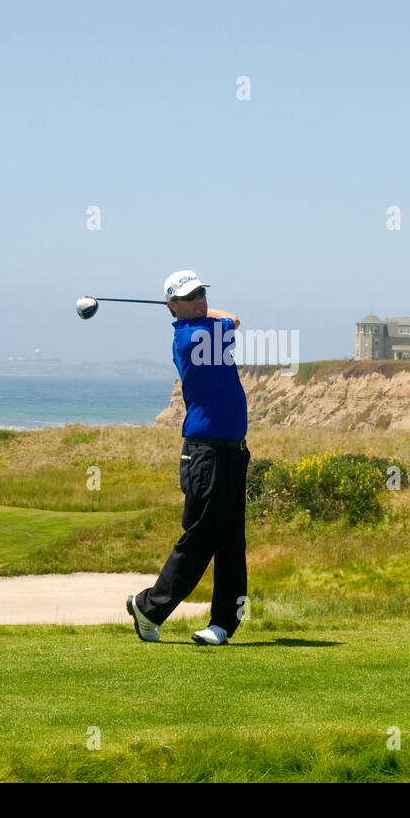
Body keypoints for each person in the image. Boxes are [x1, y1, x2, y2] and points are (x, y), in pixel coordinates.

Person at [127, 269, 249, 646]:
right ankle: (149, 608)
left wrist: (188, 309)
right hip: (205, 453)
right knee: (200, 537)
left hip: (231, 451)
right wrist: (196, 314)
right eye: (190, 296)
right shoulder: (194, 336)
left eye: (201, 292)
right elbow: (234, 318)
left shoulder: (195, 324)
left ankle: (223, 625)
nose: (199, 299)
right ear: (172, 305)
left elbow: (225, 317)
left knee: (231, 541)